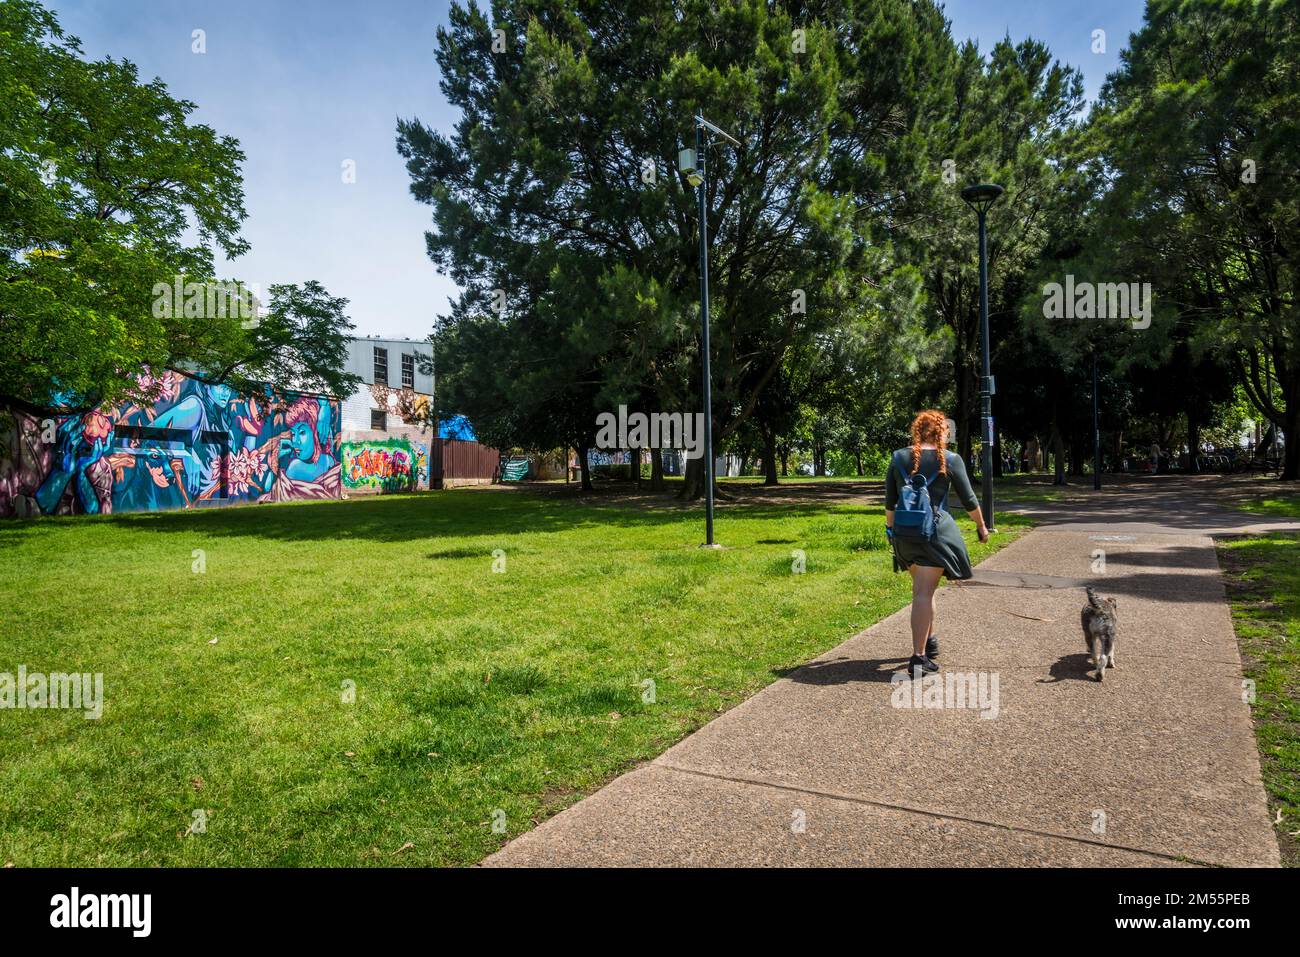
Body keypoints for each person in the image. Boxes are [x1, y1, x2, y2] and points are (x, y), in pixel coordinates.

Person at [885, 410, 990, 676]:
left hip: (904, 534)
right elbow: (969, 500)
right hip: (932, 533)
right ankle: (919, 659)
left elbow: (889, 504)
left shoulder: (898, 457)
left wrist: (891, 532)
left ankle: (929, 642)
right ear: (941, 432)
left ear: (918, 431)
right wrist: (981, 526)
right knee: (923, 593)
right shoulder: (950, 460)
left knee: (923, 590)